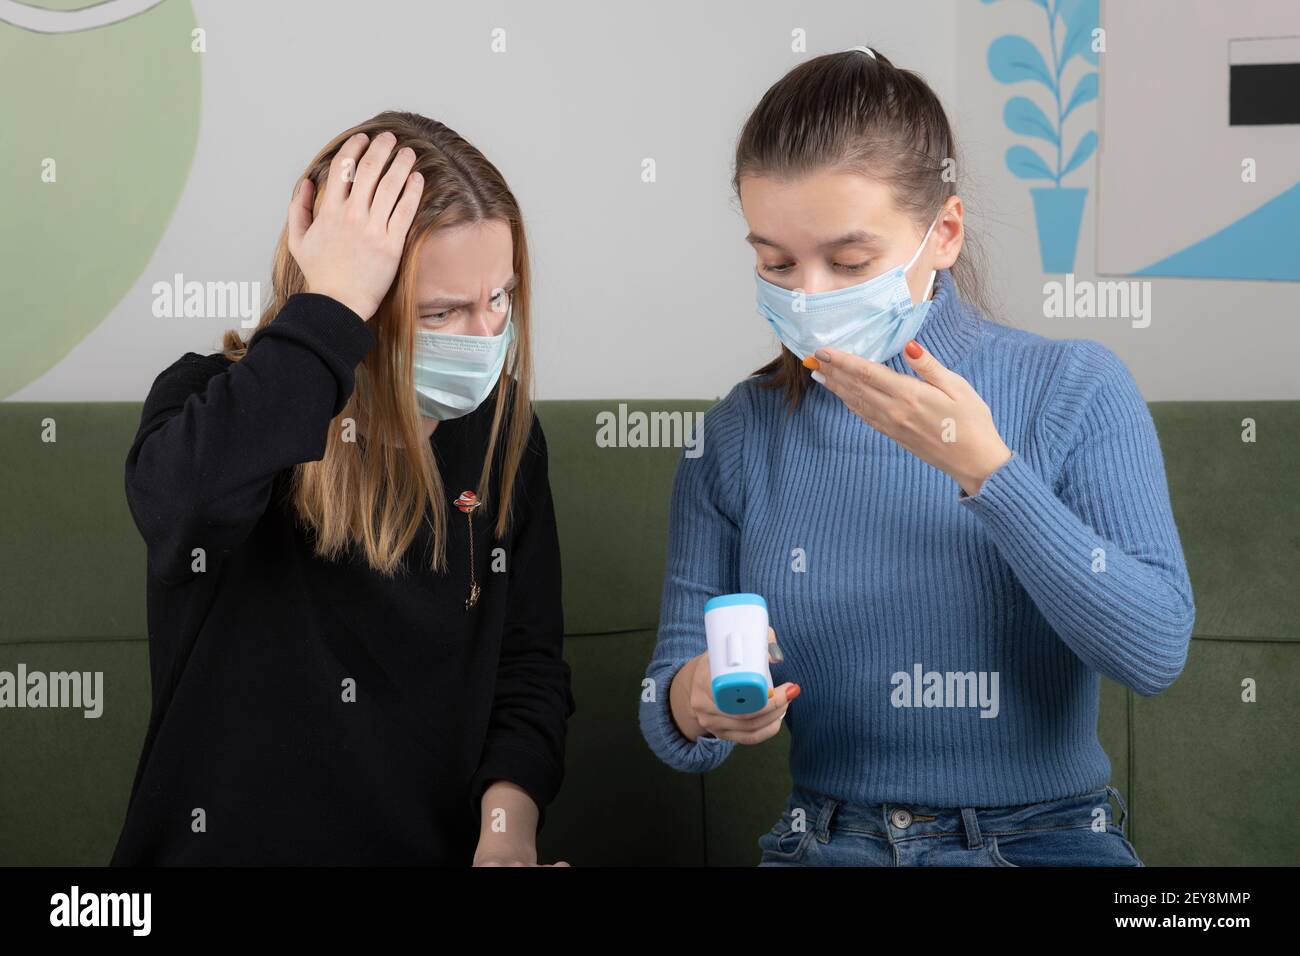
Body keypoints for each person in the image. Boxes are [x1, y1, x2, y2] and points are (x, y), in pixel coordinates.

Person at [639, 48, 1193, 866]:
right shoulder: (736, 436)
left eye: (851, 261)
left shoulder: (1072, 387)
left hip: (1047, 842)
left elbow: (1153, 652)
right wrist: (700, 702)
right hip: (829, 842)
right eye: (776, 262)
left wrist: (991, 475)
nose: (811, 297)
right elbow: (669, 701)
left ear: (944, 234)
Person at [111, 112, 574, 866]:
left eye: (500, 299)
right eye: (442, 311)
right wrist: (324, 307)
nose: (486, 336)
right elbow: (184, 508)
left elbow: (526, 668)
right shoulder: (212, 403)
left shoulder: (504, 437)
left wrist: (506, 832)